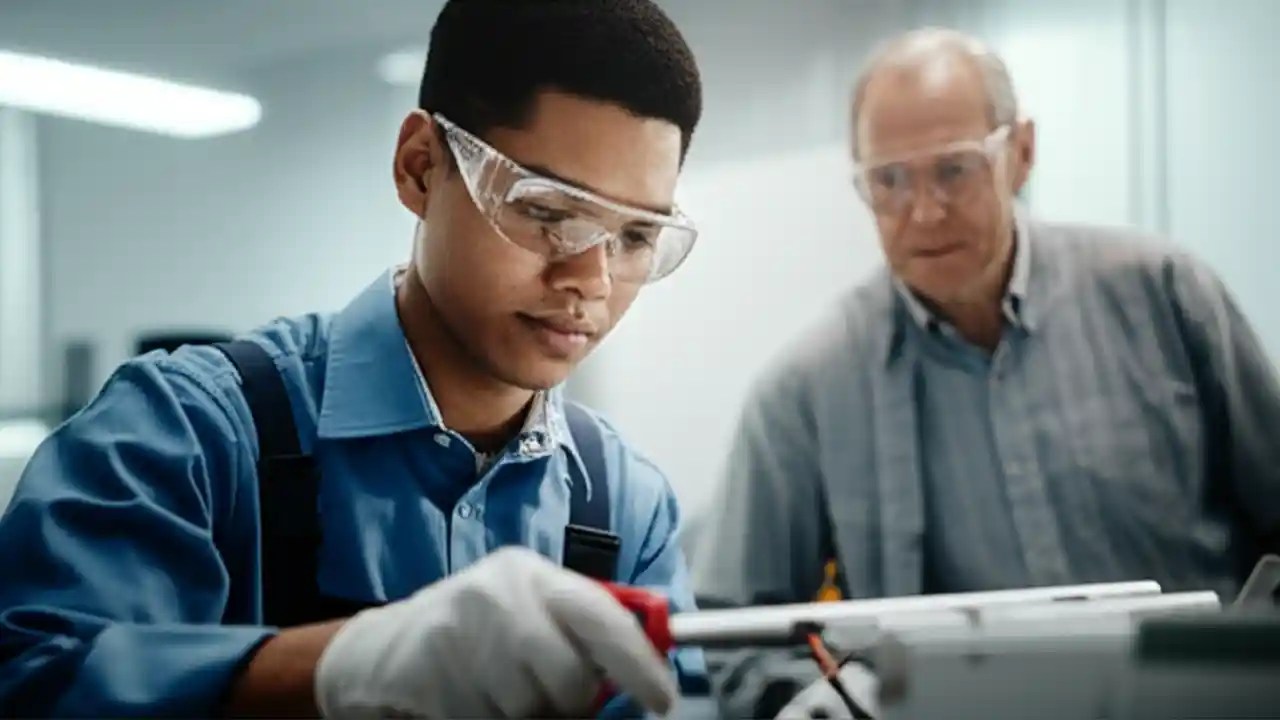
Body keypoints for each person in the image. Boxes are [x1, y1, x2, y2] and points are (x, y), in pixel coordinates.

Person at [0, 1, 707, 717]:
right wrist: (338, 671)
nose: (590, 279)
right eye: (547, 212)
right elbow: (33, 682)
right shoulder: (184, 436)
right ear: (420, 168)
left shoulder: (625, 503)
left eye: (636, 236)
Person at [692, 27, 1280, 718]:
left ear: (1020, 153)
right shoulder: (807, 391)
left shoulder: (1164, 296)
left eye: (954, 169)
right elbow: (732, 634)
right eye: (890, 181)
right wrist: (822, 704)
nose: (925, 210)